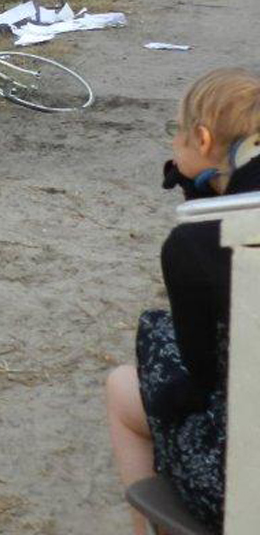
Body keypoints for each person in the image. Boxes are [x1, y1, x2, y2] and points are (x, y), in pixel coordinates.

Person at [105, 68, 260, 533]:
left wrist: (167, 398)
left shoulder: (199, 243)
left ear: (203, 137)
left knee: (129, 377)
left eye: (178, 131)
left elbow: (202, 381)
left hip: (243, 484)